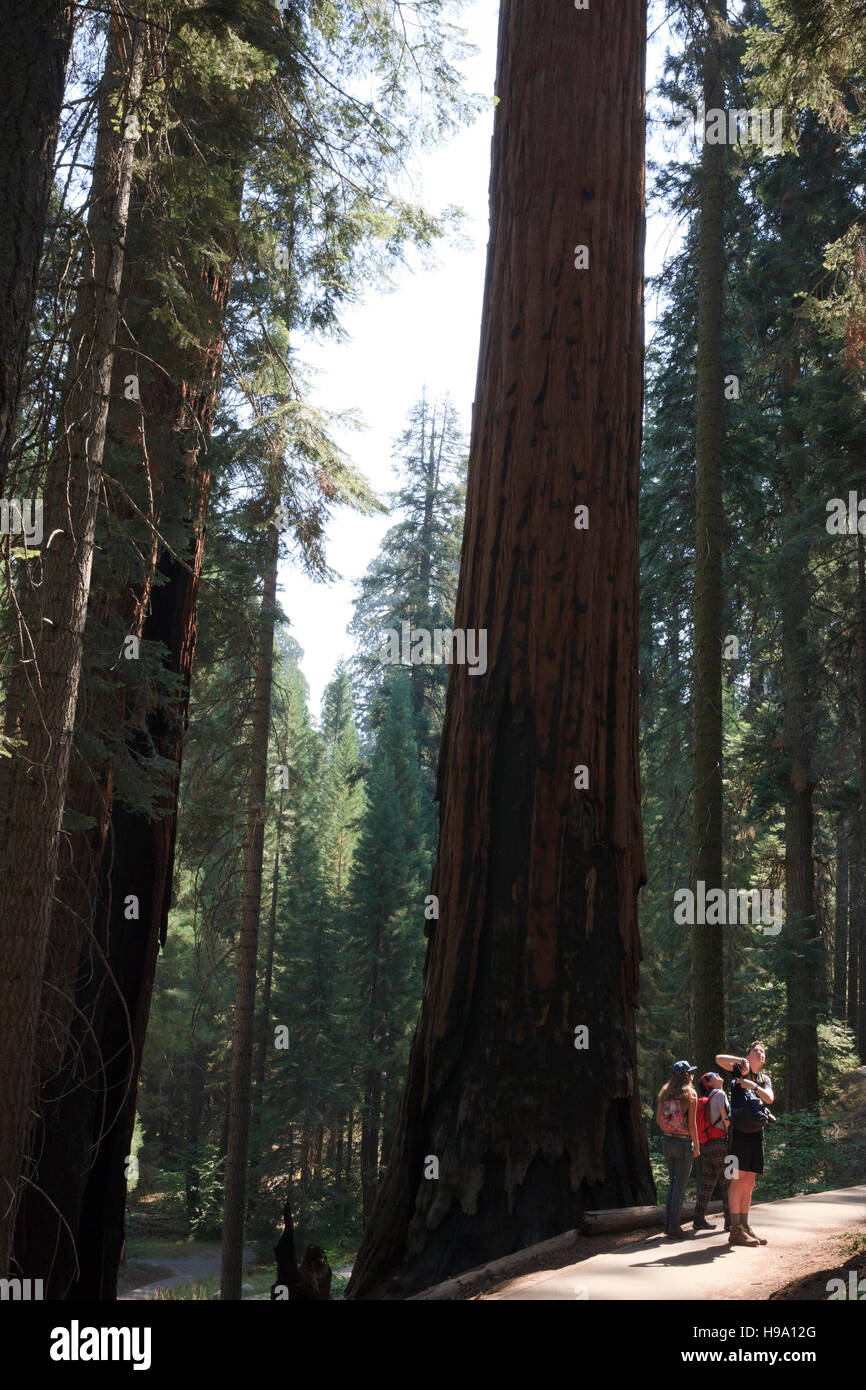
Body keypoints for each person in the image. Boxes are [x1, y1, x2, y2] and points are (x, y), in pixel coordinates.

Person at [715, 1041, 774, 1247]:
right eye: (755, 1051)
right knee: (736, 1178)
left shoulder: (764, 1078)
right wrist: (742, 1063)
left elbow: (770, 1099)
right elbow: (718, 1059)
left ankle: (745, 1226)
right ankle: (735, 1229)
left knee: (750, 1180)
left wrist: (754, 1086)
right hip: (737, 1133)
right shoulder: (739, 1070)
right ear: (748, 1055)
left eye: (763, 1051)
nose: (760, 1053)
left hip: (756, 1133)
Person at [655, 1059, 700, 1238]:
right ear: (687, 1075)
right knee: (679, 1186)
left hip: (667, 1141)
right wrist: (696, 1146)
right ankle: (674, 1228)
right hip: (683, 1143)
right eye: (691, 1073)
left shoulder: (665, 1093)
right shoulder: (691, 1094)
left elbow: (659, 1119)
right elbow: (692, 1124)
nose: (692, 1075)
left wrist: (669, 1130)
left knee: (673, 1184)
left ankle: (668, 1225)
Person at [692, 1071, 731, 1233]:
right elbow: (725, 1117)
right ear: (708, 1083)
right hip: (722, 1143)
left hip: (706, 1144)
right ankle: (732, 1222)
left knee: (707, 1183)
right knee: (730, 1182)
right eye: (714, 1075)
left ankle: (698, 1218)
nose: (718, 1074)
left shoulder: (705, 1100)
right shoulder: (720, 1094)